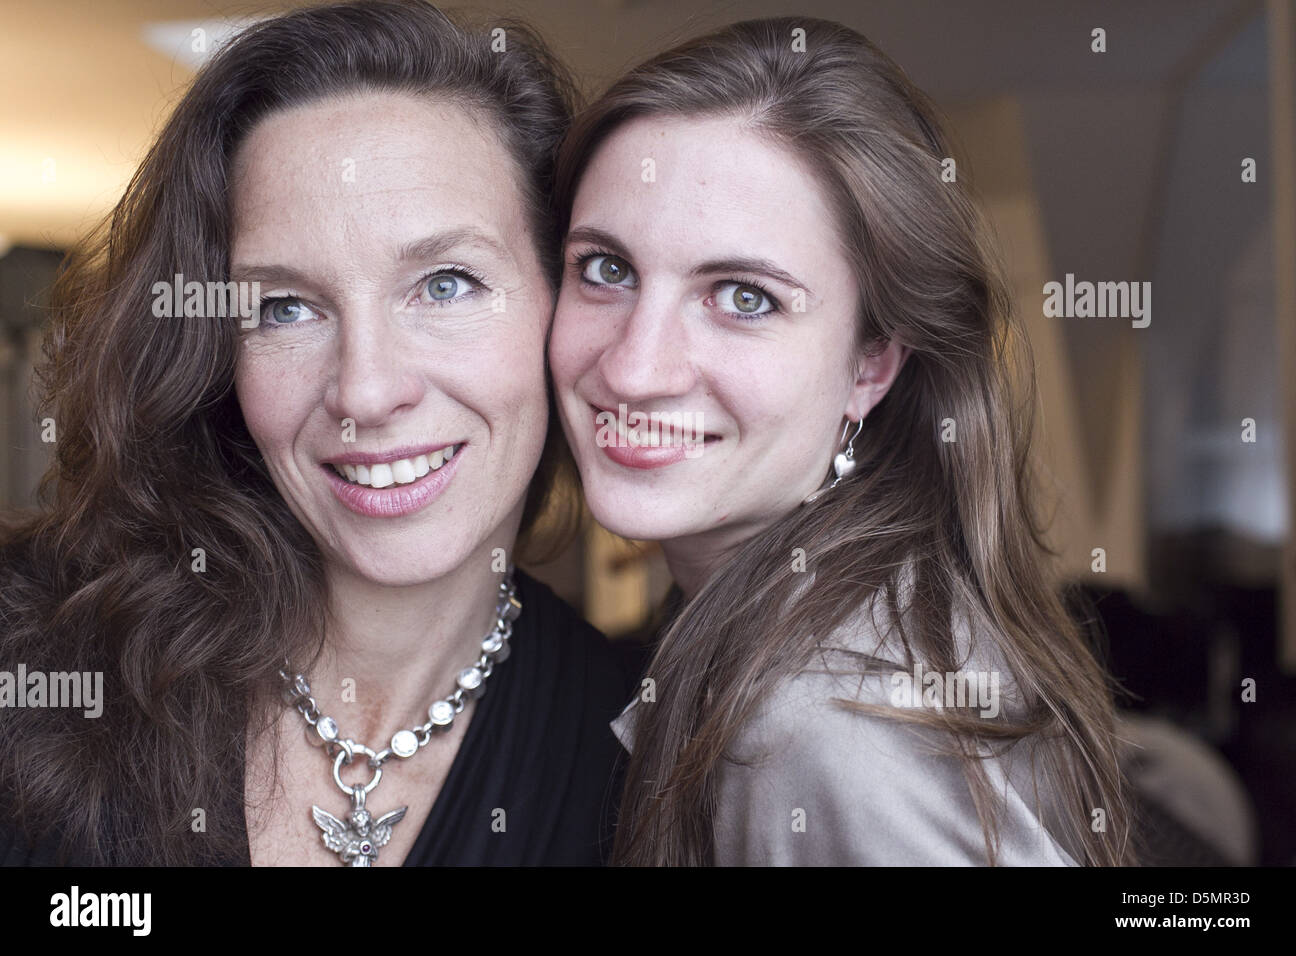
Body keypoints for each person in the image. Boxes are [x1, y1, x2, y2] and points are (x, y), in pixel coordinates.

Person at [0, 0, 636, 867]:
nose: (367, 391)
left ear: (564, 307)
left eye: (445, 284)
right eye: (285, 307)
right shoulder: (30, 660)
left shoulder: (646, 763)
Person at [548, 16, 1135, 865]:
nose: (635, 370)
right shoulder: (803, 625)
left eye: (744, 297)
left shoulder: (819, 726)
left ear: (871, 365)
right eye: (606, 269)